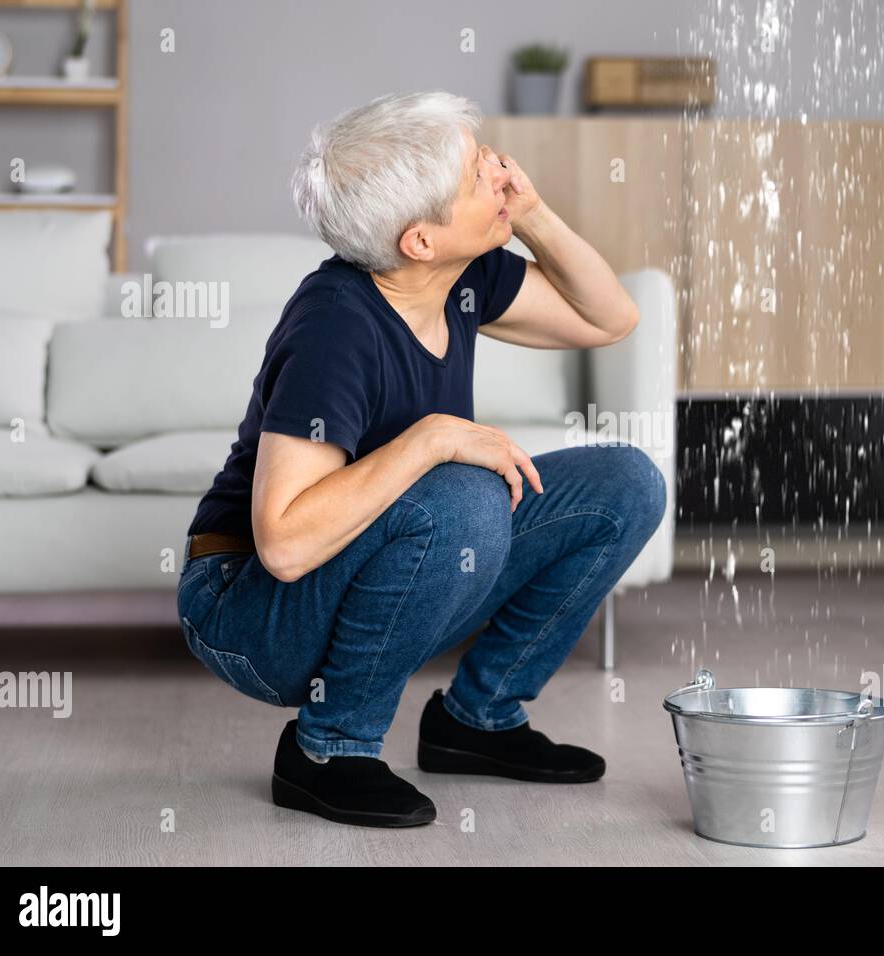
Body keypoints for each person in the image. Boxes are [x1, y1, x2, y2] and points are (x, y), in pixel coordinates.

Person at [176, 90, 667, 828]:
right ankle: (329, 749)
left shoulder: (463, 276)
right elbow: (281, 543)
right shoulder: (334, 329)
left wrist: (528, 212)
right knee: (464, 495)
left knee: (625, 485)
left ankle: (479, 720)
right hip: (249, 613)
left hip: (381, 565)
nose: (500, 174)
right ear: (419, 240)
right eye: (480, 177)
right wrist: (432, 438)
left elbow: (612, 317)